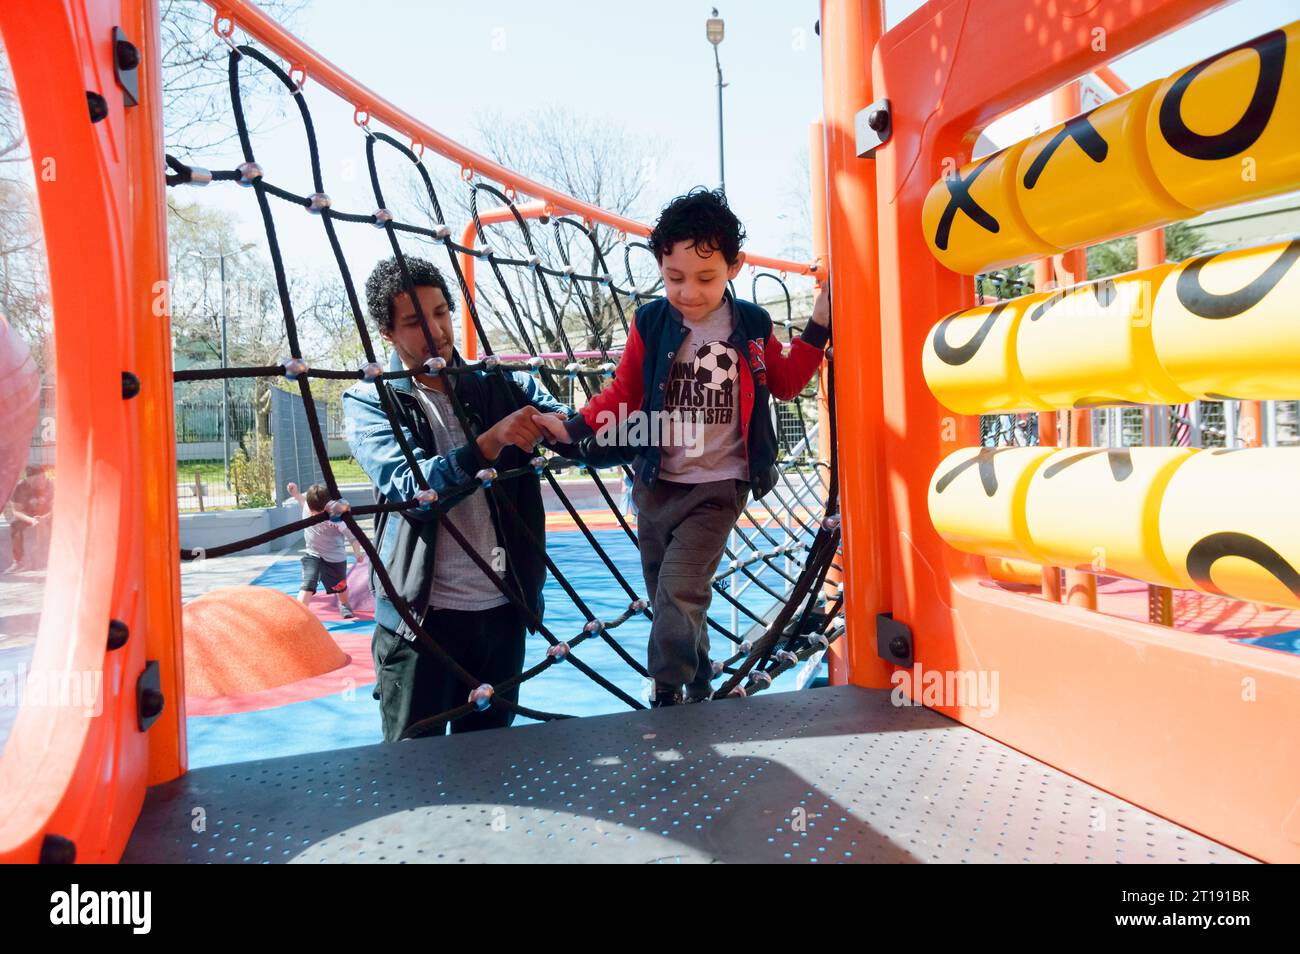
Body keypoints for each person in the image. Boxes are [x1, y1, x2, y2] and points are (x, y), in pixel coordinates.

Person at [561, 187, 831, 706]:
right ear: (660, 267)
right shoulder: (651, 322)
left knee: (678, 592)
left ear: (735, 267)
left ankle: (666, 692)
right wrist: (576, 428)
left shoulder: (749, 323)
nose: (688, 291)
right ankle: (700, 679)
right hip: (657, 486)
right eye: (674, 278)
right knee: (673, 599)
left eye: (705, 277)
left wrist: (818, 325)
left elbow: (787, 380)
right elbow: (625, 392)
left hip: (719, 487)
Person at [344, 255, 601, 742]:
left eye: (442, 312)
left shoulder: (503, 384)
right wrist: (490, 442)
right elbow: (413, 487)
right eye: (416, 321)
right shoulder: (372, 400)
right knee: (412, 775)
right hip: (421, 626)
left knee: (489, 767)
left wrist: (622, 421)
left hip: (501, 617)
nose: (437, 330)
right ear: (386, 331)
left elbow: (579, 435)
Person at [286, 480, 366, 619]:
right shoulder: (308, 507)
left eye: (318, 512)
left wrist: (357, 553)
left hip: (335, 557)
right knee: (308, 583)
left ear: (327, 509)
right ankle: (299, 614)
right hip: (313, 553)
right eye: (312, 511)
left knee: (340, 586)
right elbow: (302, 501)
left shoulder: (337, 520)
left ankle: (345, 604)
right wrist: (296, 493)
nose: (314, 515)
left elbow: (353, 537)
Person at [4, 464, 53, 573]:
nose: (41, 482)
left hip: (49, 515)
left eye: (42, 478)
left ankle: (62, 557)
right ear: (28, 480)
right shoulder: (20, 488)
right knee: (15, 526)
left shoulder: (51, 485)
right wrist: (32, 520)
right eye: (36, 480)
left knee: (62, 523)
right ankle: (18, 561)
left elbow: (58, 507)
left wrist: (45, 518)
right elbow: (16, 511)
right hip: (29, 516)